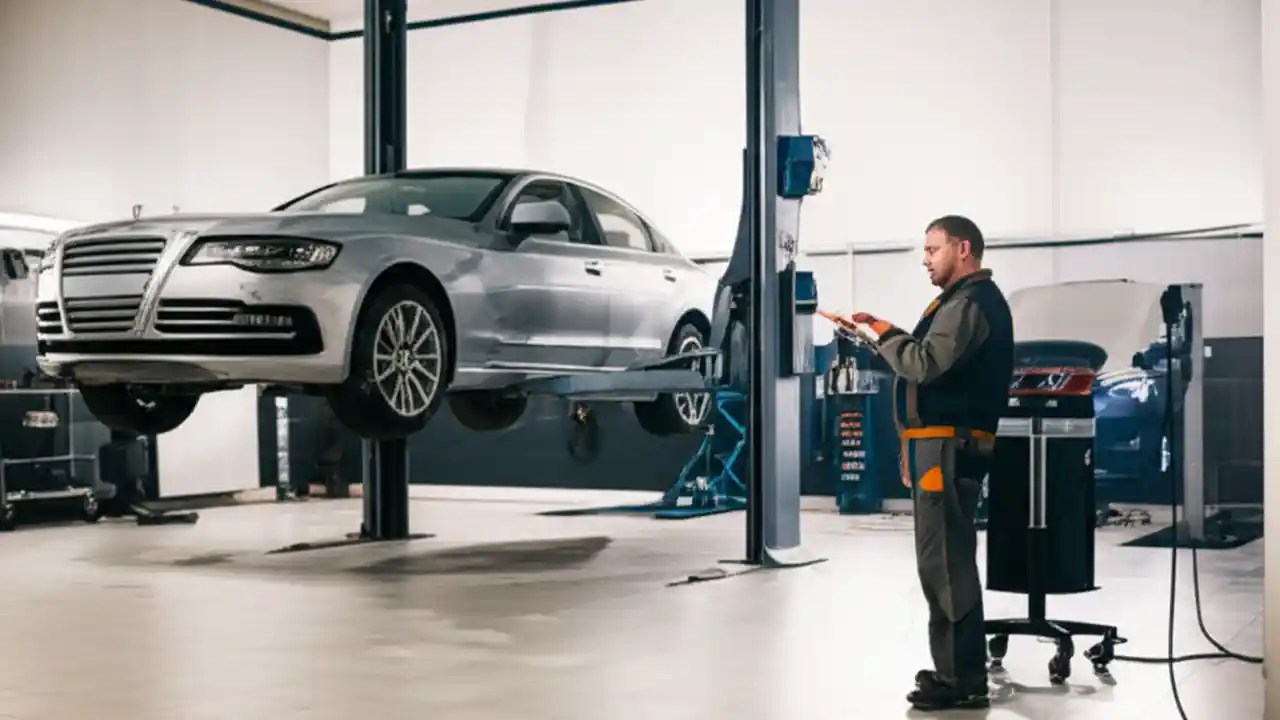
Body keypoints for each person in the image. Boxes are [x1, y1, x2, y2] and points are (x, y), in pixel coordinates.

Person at [843, 215, 1014, 711]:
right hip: (934, 447)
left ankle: (961, 678)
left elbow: (923, 364)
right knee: (941, 560)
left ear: (963, 249)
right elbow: (926, 379)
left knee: (946, 563)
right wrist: (908, 444)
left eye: (932, 249)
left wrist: (880, 332)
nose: (925, 259)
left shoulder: (970, 303)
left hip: (948, 449)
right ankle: (955, 672)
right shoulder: (958, 303)